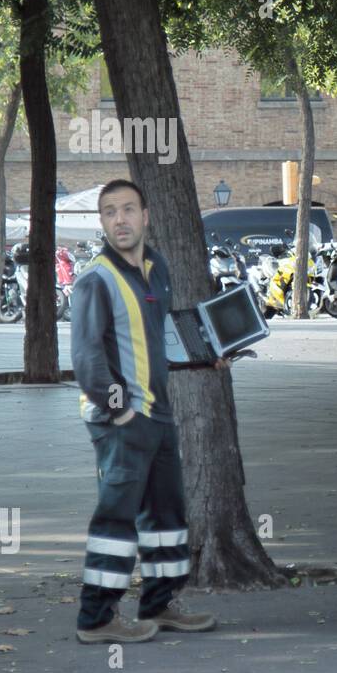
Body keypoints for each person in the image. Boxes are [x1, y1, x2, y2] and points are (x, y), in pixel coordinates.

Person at [70, 179, 224, 644]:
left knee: (166, 514)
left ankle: (160, 604)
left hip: (158, 416)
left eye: (128, 209)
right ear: (102, 222)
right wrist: (120, 413)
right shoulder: (95, 279)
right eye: (110, 212)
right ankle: (96, 618)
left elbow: (158, 341)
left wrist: (205, 355)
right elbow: (86, 359)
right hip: (120, 421)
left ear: (146, 215)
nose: (120, 219)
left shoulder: (157, 269)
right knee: (116, 518)